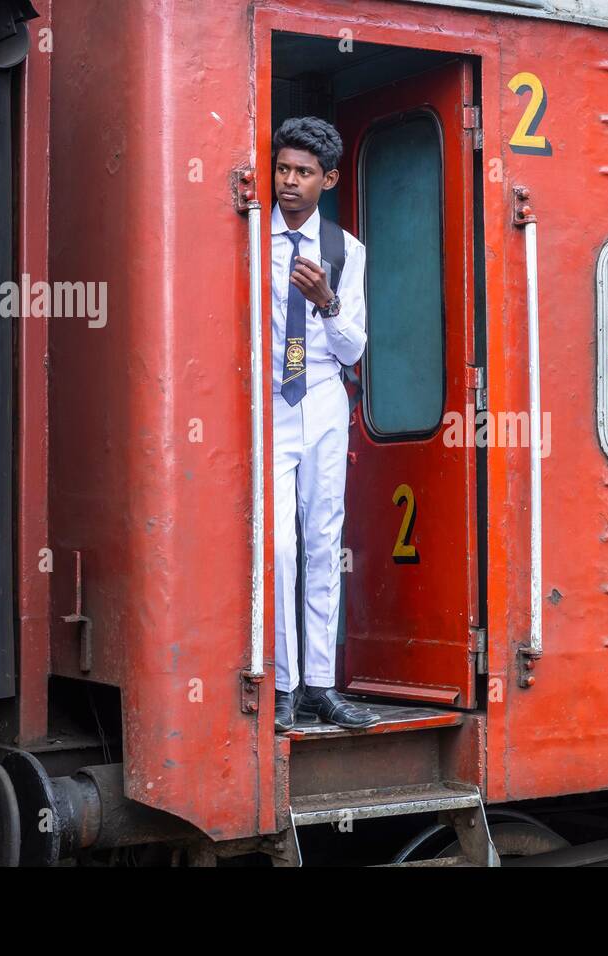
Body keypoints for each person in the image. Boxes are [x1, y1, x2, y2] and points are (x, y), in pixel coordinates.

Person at [270, 117, 378, 731]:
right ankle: (282, 684)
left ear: (328, 180)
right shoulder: (254, 237)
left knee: (322, 542)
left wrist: (328, 303)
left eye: (303, 173)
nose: (289, 181)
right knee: (280, 545)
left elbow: (354, 349)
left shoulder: (344, 250)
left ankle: (319, 685)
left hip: (323, 400)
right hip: (271, 402)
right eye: (283, 169)